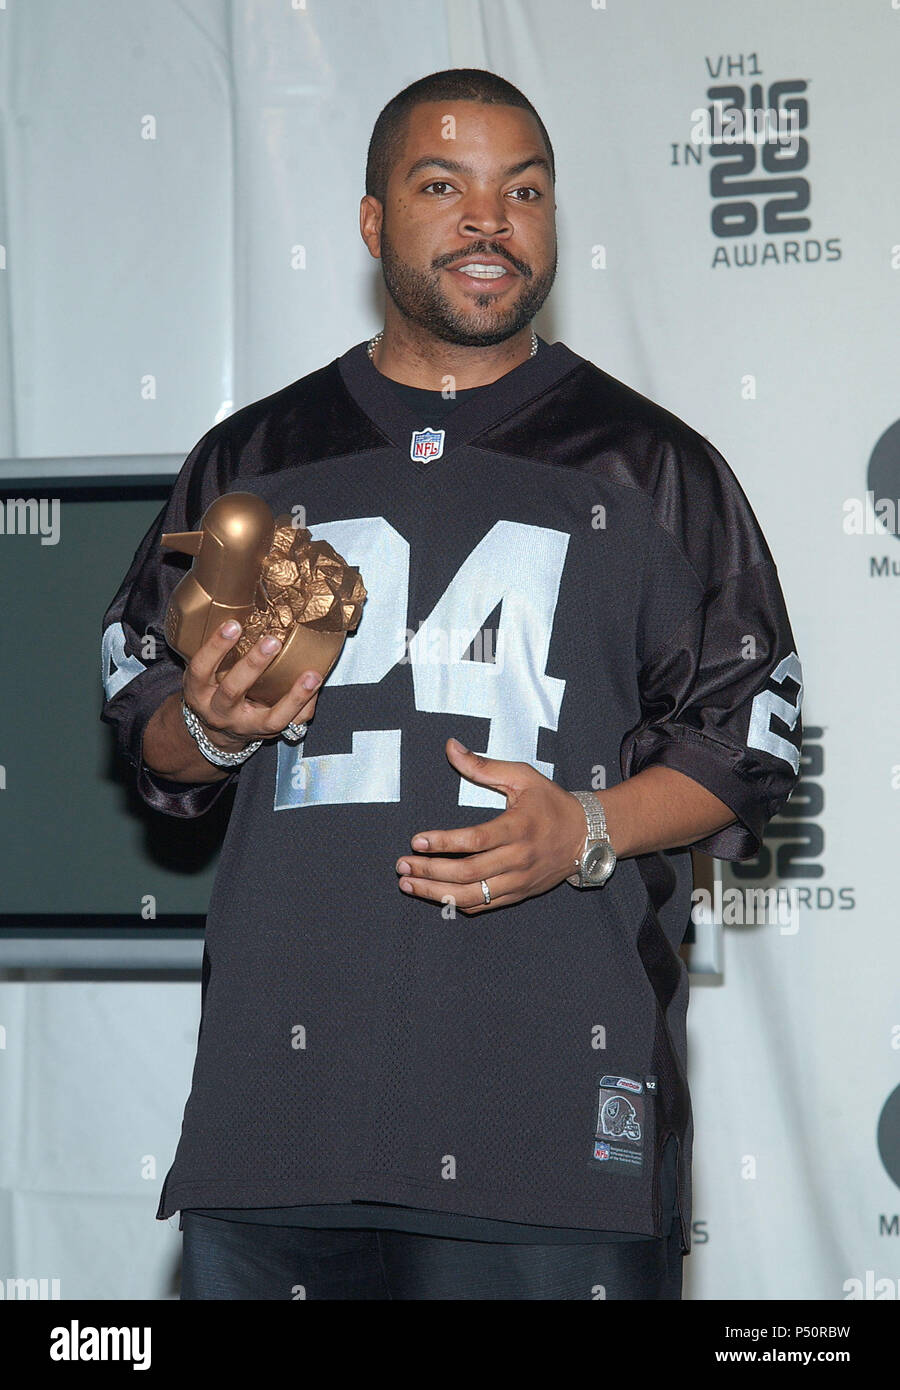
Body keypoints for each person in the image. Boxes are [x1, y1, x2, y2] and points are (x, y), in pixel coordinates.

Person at [100, 68, 803, 1301]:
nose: (491, 220)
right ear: (374, 223)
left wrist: (585, 830)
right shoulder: (256, 456)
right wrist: (207, 730)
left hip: (549, 1146)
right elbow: (145, 718)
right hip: (281, 1132)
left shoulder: (651, 465)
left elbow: (746, 742)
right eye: (446, 185)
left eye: (522, 190)